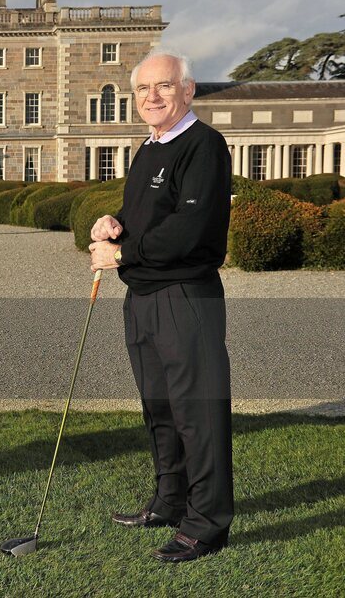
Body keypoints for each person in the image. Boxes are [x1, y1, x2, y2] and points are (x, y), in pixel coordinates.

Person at [88, 48, 233, 563]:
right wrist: (113, 223)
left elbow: (188, 229)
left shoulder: (204, 146)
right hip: (143, 297)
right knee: (160, 408)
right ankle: (170, 501)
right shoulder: (149, 148)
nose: (152, 97)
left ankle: (206, 524)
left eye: (164, 86)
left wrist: (121, 253)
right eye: (142, 89)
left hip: (185, 297)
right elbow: (146, 216)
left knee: (198, 413)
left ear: (187, 90)